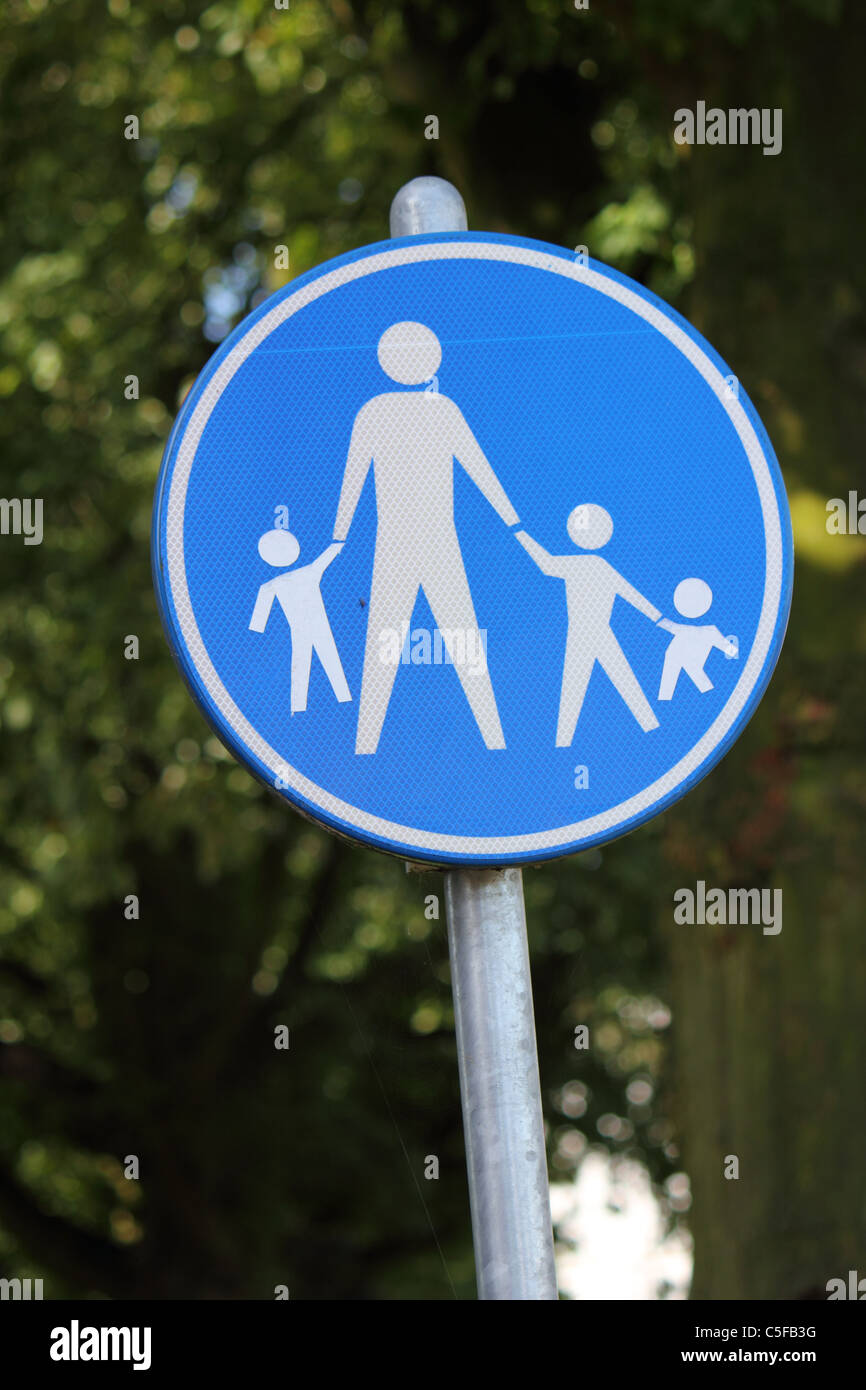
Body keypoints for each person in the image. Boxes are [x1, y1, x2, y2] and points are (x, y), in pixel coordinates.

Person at [333, 320, 521, 755]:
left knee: (401, 640)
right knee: (454, 639)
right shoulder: (436, 409)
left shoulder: (384, 411)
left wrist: (339, 538)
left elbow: (353, 482)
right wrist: (514, 524)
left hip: (414, 539)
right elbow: (482, 473)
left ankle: (371, 748)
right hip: (419, 539)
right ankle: (494, 745)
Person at [515, 504, 662, 746]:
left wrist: (521, 534)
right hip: (590, 632)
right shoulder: (596, 564)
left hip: (587, 633)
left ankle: (563, 741)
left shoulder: (587, 564)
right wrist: (656, 618)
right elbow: (631, 594)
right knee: (614, 681)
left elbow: (546, 563)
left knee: (579, 684)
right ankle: (648, 728)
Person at [248, 526, 351, 714]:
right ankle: (315, 704)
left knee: (308, 662)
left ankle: (301, 707)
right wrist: (336, 547)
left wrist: (336, 548)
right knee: (324, 660)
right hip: (310, 627)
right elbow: (323, 561)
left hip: (307, 627)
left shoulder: (271, 584)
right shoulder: (301, 575)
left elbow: (258, 623)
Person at [656, 578, 738, 700]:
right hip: (676, 656)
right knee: (681, 669)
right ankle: (665, 700)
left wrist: (733, 650)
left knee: (691, 669)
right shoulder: (707, 631)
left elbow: (730, 650)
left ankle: (707, 696)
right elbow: (671, 626)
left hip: (684, 658)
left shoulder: (708, 632)